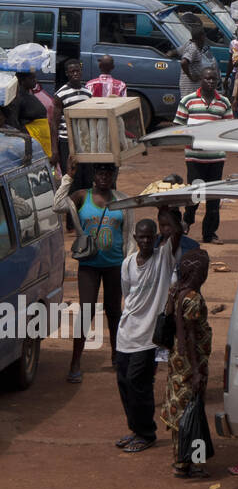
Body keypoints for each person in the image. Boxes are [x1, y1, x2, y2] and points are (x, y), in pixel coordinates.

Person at [114, 218, 181, 454]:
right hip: (126, 334)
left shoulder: (163, 259)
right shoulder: (127, 264)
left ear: (156, 238)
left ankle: (146, 433)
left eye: (149, 237)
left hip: (147, 338)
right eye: (141, 237)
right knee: (123, 383)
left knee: (137, 383)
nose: (144, 241)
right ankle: (135, 429)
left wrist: (168, 214)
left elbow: (175, 235)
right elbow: (127, 294)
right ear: (135, 239)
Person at [67, 163, 134, 382]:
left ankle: (117, 355)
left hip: (115, 264)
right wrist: (69, 176)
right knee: (86, 310)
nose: (104, 177)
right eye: (100, 173)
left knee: (114, 311)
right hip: (89, 264)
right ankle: (75, 362)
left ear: (115, 175)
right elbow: (58, 205)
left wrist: (128, 263)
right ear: (94, 174)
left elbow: (129, 234)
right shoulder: (81, 196)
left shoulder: (122, 200)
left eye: (109, 173)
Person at [161, 249, 213, 479]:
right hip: (192, 364)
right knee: (195, 414)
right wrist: (196, 372)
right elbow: (190, 336)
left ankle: (180, 461)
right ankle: (193, 463)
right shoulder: (193, 299)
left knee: (180, 411)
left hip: (176, 363)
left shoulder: (176, 292)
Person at [173, 67, 234, 244]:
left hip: (216, 157)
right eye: (207, 79)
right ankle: (188, 220)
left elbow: (228, 128)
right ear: (201, 79)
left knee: (214, 196)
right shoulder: (188, 101)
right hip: (194, 157)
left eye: (214, 79)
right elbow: (178, 126)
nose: (210, 82)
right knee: (196, 192)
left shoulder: (224, 103)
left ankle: (210, 233)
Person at [54, 58, 92, 187]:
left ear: (81, 72)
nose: (75, 74)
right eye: (72, 71)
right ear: (67, 73)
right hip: (67, 142)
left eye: (77, 71)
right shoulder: (60, 94)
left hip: (84, 141)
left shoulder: (88, 93)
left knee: (87, 177)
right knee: (72, 178)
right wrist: (55, 149)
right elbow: (54, 124)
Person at [5, 72, 53, 159]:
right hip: (33, 139)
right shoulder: (18, 98)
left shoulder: (29, 95)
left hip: (42, 139)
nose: (35, 80)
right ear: (22, 81)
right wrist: (27, 138)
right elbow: (14, 122)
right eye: (32, 78)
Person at [176, 16, 218, 101]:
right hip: (190, 86)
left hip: (193, 85)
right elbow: (184, 62)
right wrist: (191, 76)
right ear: (201, 37)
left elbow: (178, 51)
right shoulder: (193, 48)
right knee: (189, 104)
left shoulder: (191, 44)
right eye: (204, 36)